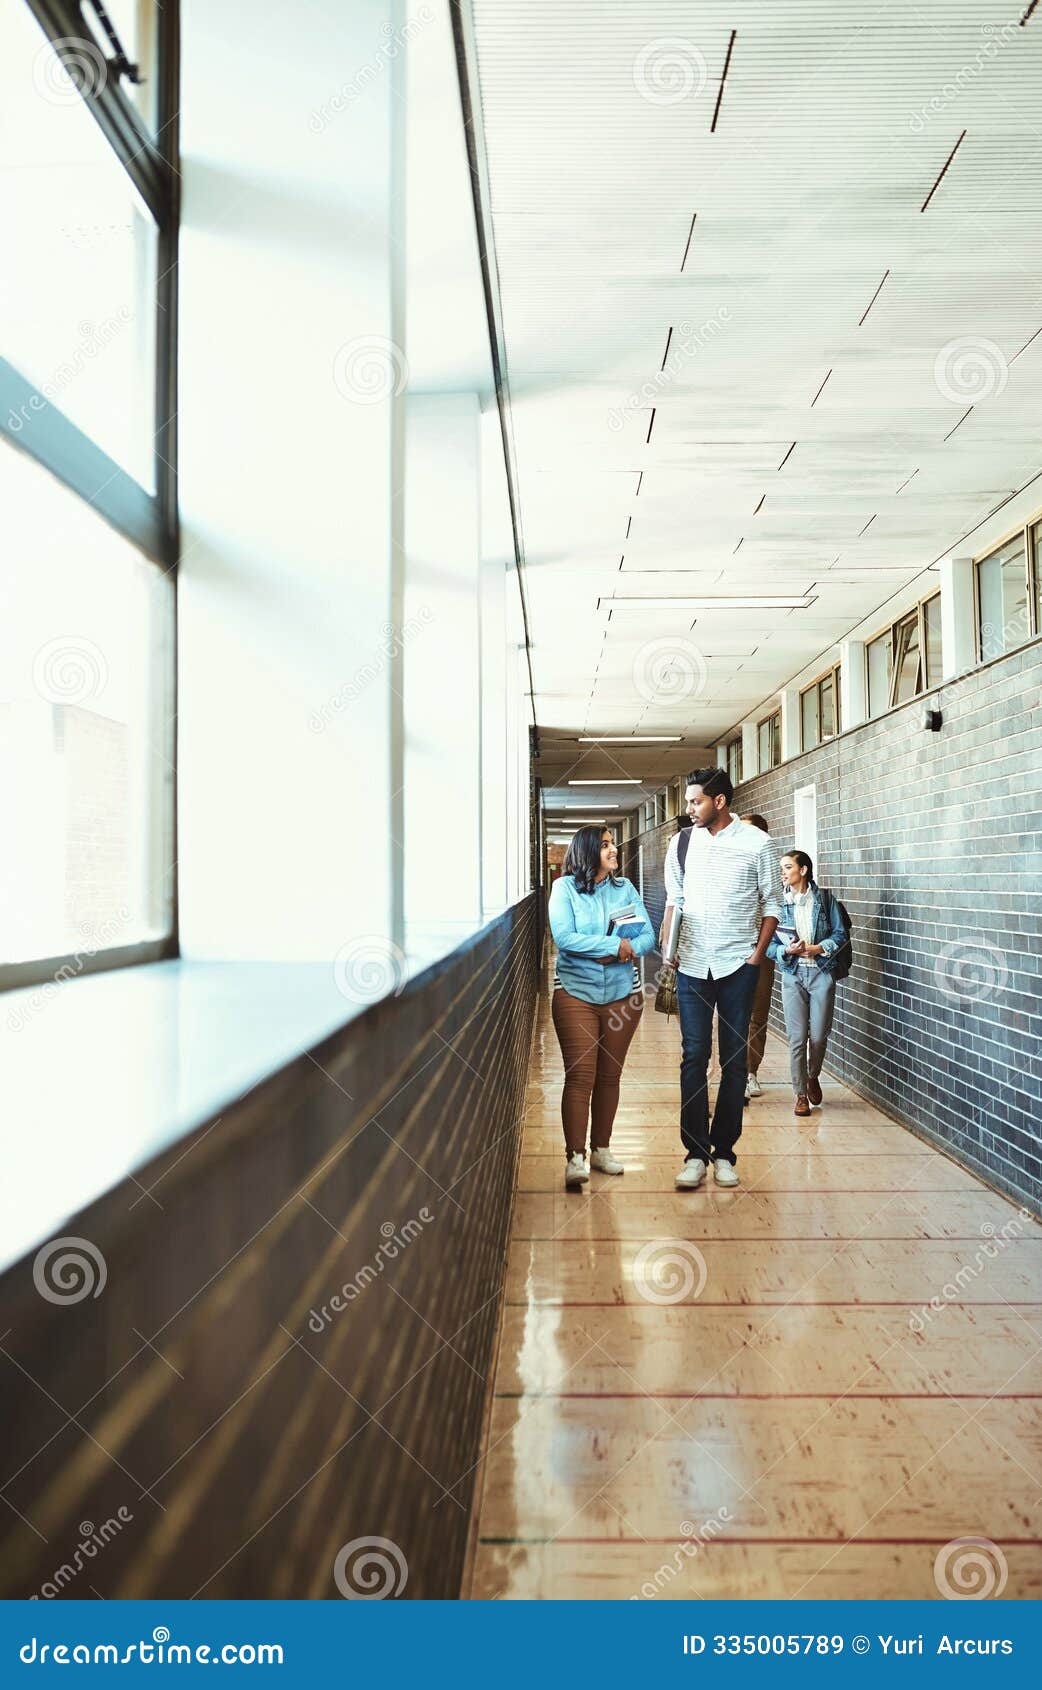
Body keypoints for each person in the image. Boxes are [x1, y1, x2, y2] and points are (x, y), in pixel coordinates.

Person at [662, 770, 782, 1189]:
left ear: (720, 801)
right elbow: (675, 901)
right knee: (694, 1056)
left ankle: (725, 1152)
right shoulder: (680, 844)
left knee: (734, 1061)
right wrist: (668, 949)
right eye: (689, 802)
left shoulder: (758, 844)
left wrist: (756, 956)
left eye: (696, 801)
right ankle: (694, 1153)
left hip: (738, 965)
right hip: (692, 964)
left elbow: (772, 903)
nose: (689, 809)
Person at [548, 825, 656, 1188]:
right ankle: (575, 1156)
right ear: (589, 851)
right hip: (576, 993)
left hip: (624, 995)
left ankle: (601, 1149)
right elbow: (564, 938)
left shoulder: (624, 889)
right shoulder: (564, 889)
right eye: (606, 845)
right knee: (581, 1076)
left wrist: (629, 948)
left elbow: (647, 936)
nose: (613, 850)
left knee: (610, 1076)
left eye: (613, 844)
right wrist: (613, 948)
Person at [767, 849, 848, 1117]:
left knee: (819, 1036)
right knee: (797, 1039)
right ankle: (800, 1094)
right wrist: (785, 952)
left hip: (822, 973)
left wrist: (818, 948)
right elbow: (767, 945)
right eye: (781, 868)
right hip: (792, 975)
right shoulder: (778, 905)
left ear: (803, 870)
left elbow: (840, 934)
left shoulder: (825, 900)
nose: (783, 872)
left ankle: (813, 1075)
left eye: (787, 867)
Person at [741, 814, 775, 1100]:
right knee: (731, 1017)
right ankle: (733, 1074)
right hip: (732, 949)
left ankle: (750, 1072)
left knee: (757, 1015)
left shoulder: (772, 871)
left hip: (761, 952)